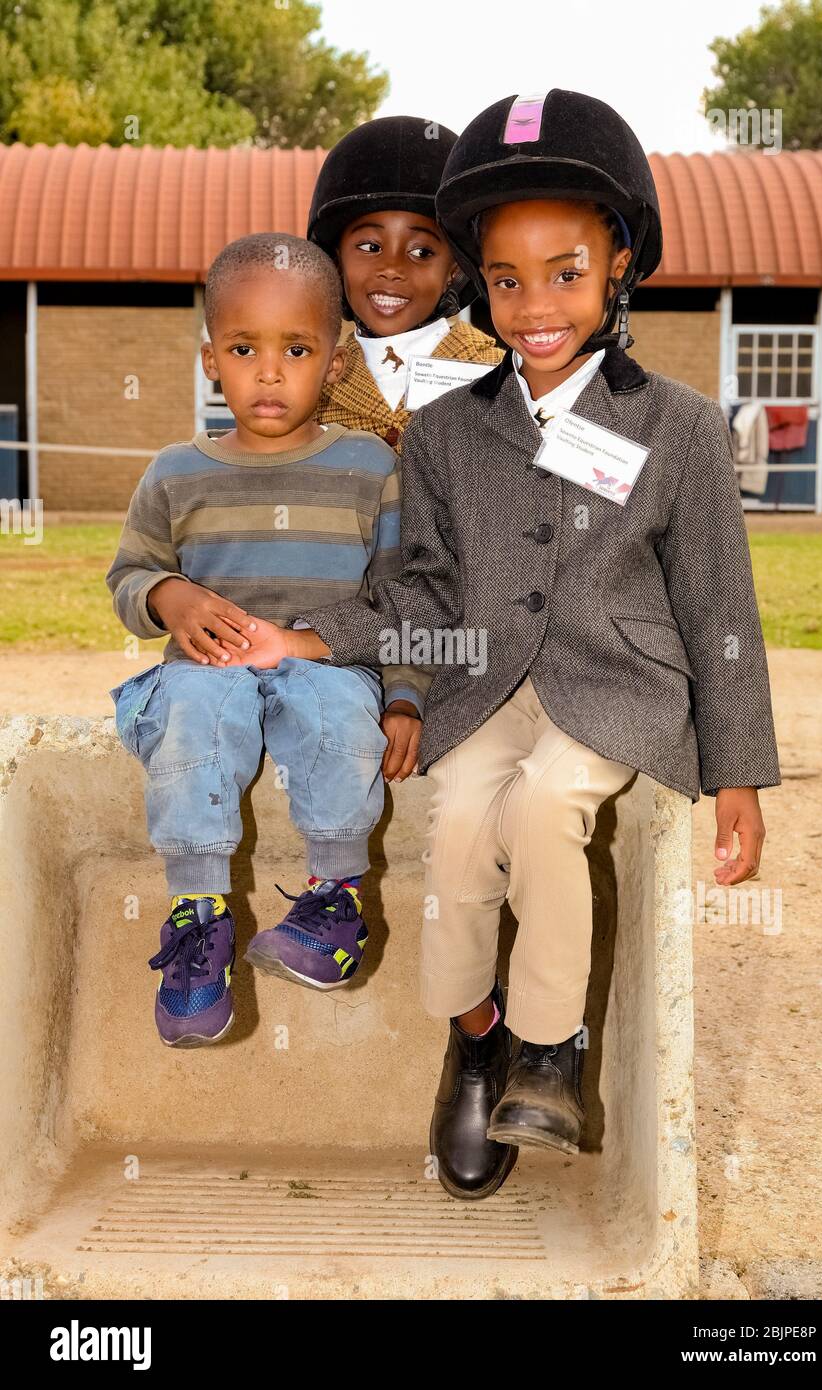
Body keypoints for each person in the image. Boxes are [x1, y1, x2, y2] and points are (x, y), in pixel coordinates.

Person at [219, 91, 781, 1201]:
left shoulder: (674, 425)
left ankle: (548, 1048)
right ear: (481, 276)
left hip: (613, 686)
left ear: (619, 261)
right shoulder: (444, 428)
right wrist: (308, 637)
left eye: (565, 273)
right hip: (479, 679)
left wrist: (739, 774)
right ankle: (472, 1035)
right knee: (461, 813)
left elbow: (718, 599)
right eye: (509, 278)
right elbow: (418, 583)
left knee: (540, 808)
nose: (534, 306)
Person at [106, 233, 425, 1047]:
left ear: (338, 364)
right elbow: (130, 577)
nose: (271, 372)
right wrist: (169, 596)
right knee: (193, 704)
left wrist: (402, 700)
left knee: (331, 712)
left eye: (297, 348)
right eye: (246, 349)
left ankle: (333, 904)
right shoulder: (176, 471)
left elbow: (401, 601)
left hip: (323, 665)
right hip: (207, 673)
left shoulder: (368, 468)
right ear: (212, 358)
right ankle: (199, 918)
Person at [307, 115, 502, 452]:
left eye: (422, 252)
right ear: (337, 260)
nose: (392, 268)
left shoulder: (498, 377)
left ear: (454, 270)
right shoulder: (313, 383)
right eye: (370, 247)